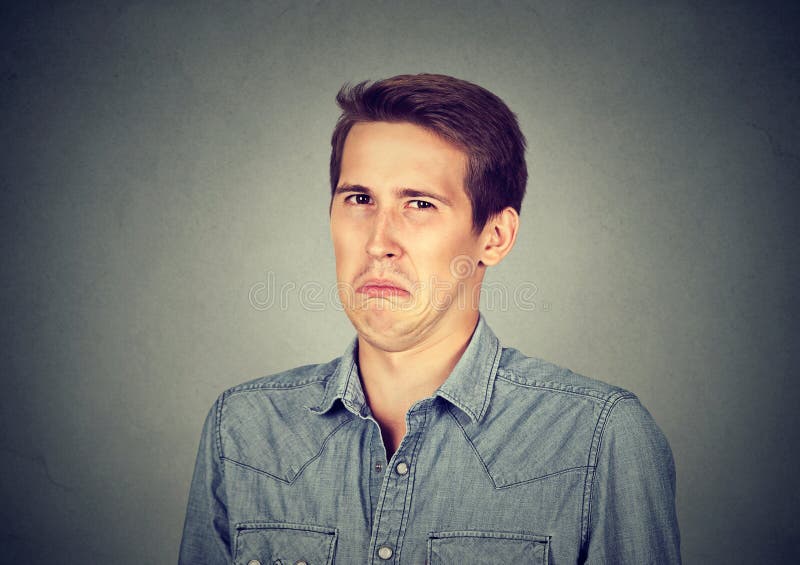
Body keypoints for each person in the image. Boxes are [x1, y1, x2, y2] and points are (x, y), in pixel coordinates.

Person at [179, 73, 681, 564]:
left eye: (419, 204)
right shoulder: (241, 428)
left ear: (495, 237)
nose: (378, 243)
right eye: (360, 199)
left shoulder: (599, 437)